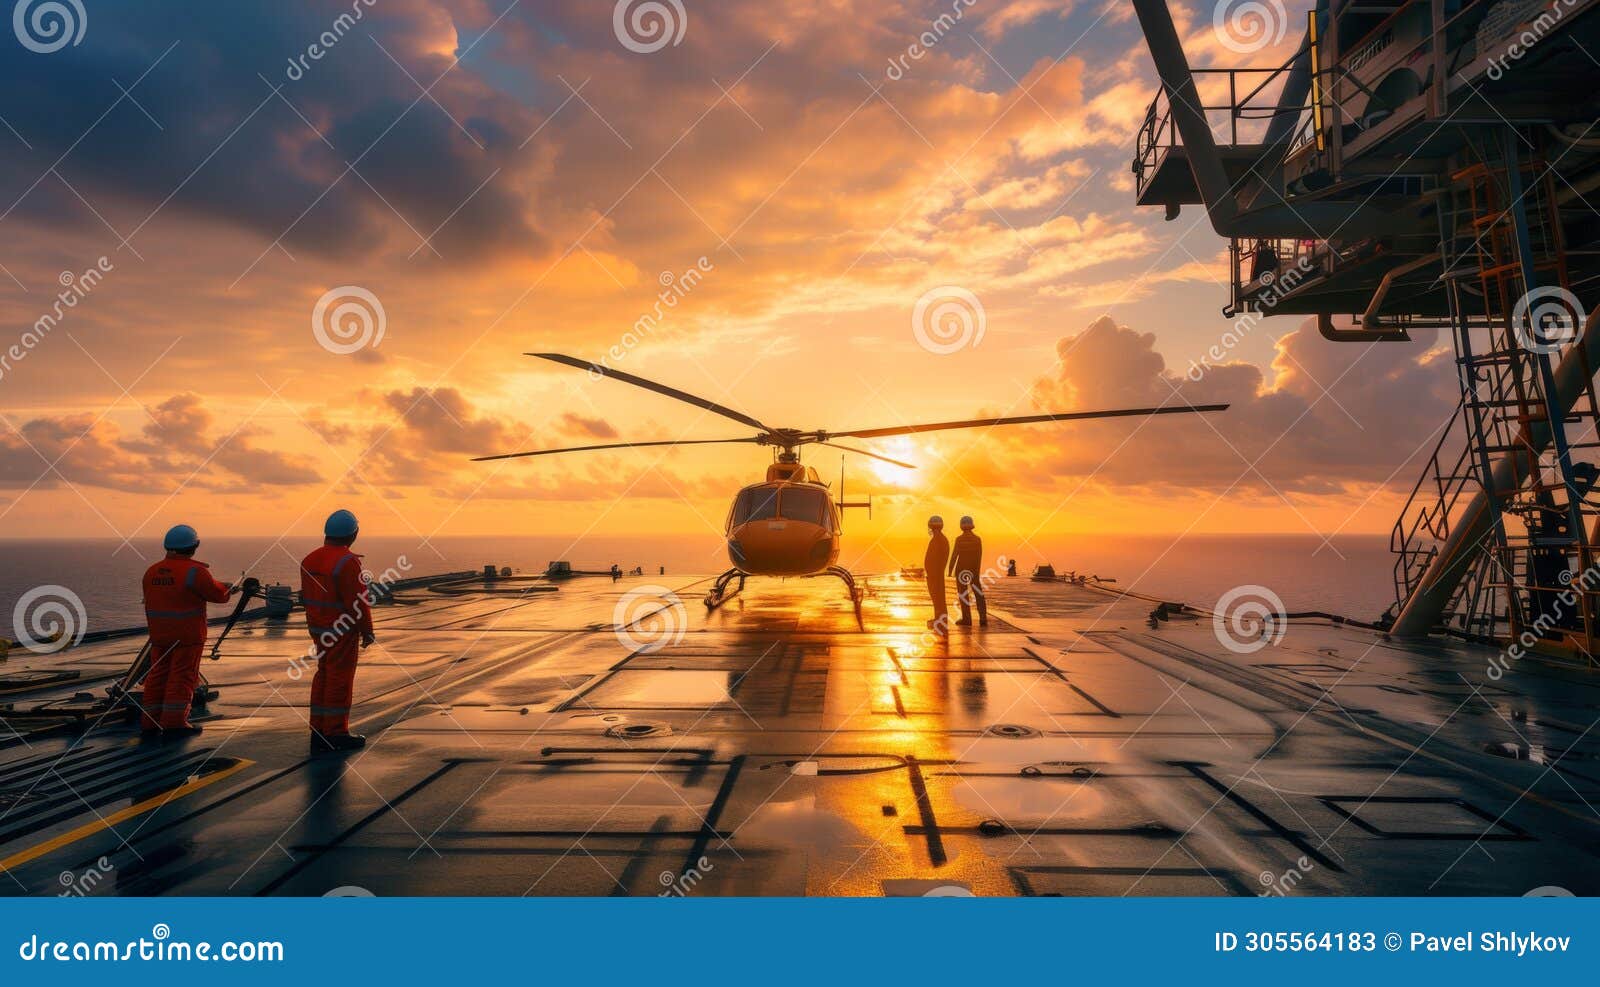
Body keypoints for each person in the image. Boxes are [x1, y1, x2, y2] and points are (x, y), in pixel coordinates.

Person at [140, 524, 236, 738]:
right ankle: (174, 724)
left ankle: (150, 722)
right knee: (181, 678)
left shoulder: (152, 571)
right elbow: (217, 595)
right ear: (194, 546)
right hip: (187, 636)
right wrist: (228, 588)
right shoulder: (196, 571)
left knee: (157, 676)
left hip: (159, 636)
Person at [301, 509, 376, 753]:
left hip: (318, 628)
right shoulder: (348, 562)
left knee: (323, 674)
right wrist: (367, 631)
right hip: (341, 630)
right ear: (353, 534)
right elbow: (358, 602)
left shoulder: (309, 559)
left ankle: (318, 729)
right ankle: (335, 733)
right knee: (339, 679)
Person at [949, 515, 987, 628]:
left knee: (963, 595)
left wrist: (950, 570)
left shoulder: (959, 539)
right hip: (974, 569)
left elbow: (954, 555)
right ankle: (983, 618)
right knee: (978, 593)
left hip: (961, 570)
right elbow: (979, 556)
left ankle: (967, 619)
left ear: (961, 526)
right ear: (972, 526)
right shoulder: (977, 539)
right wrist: (977, 571)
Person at [923, 515, 949, 633]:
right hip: (937, 573)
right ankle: (940, 621)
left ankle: (940, 623)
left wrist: (932, 572)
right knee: (939, 599)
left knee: (937, 599)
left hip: (935, 575)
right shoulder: (943, 539)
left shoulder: (936, 540)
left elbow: (933, 558)